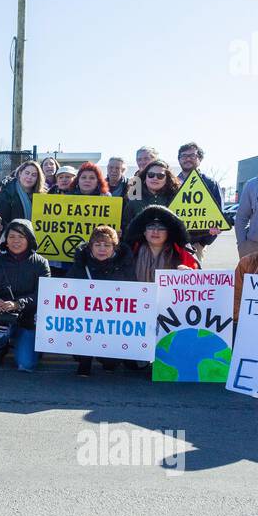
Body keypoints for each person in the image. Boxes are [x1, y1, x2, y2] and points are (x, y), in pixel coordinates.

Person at [0, 218, 50, 372]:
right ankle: (0, 346)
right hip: (0, 315)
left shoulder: (41, 263)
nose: (16, 241)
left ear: (29, 239)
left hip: (29, 318)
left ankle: (30, 343)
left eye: (21, 237)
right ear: (6, 239)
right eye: (11, 237)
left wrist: (18, 304)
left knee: (26, 365)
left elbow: (43, 294)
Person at [68, 225, 135, 376]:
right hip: (86, 317)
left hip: (113, 319)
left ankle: (109, 358)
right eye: (97, 245)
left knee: (111, 363)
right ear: (90, 247)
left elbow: (132, 291)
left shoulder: (124, 266)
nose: (102, 249)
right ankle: (84, 360)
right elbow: (68, 288)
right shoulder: (80, 264)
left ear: (115, 248)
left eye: (107, 245)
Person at [175, 142, 226, 263]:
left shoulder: (210, 183)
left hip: (197, 244)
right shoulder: (172, 182)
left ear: (200, 159)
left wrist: (203, 242)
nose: (187, 159)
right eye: (183, 156)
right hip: (173, 242)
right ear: (179, 160)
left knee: (192, 279)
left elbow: (219, 218)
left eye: (192, 156)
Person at [123, 205, 199, 283]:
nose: (155, 231)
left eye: (161, 228)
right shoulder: (131, 251)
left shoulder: (182, 253)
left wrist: (188, 273)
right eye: (151, 227)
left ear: (168, 233)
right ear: (144, 232)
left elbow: (197, 280)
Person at [122, 159, 180, 233]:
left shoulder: (176, 199)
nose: (155, 178)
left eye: (160, 176)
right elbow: (126, 229)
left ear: (167, 179)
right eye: (151, 175)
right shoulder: (133, 200)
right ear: (145, 177)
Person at [0, 159, 40, 225]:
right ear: (20, 173)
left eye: (34, 175)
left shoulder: (41, 196)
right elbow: (0, 220)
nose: (29, 177)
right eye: (27, 173)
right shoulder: (7, 193)